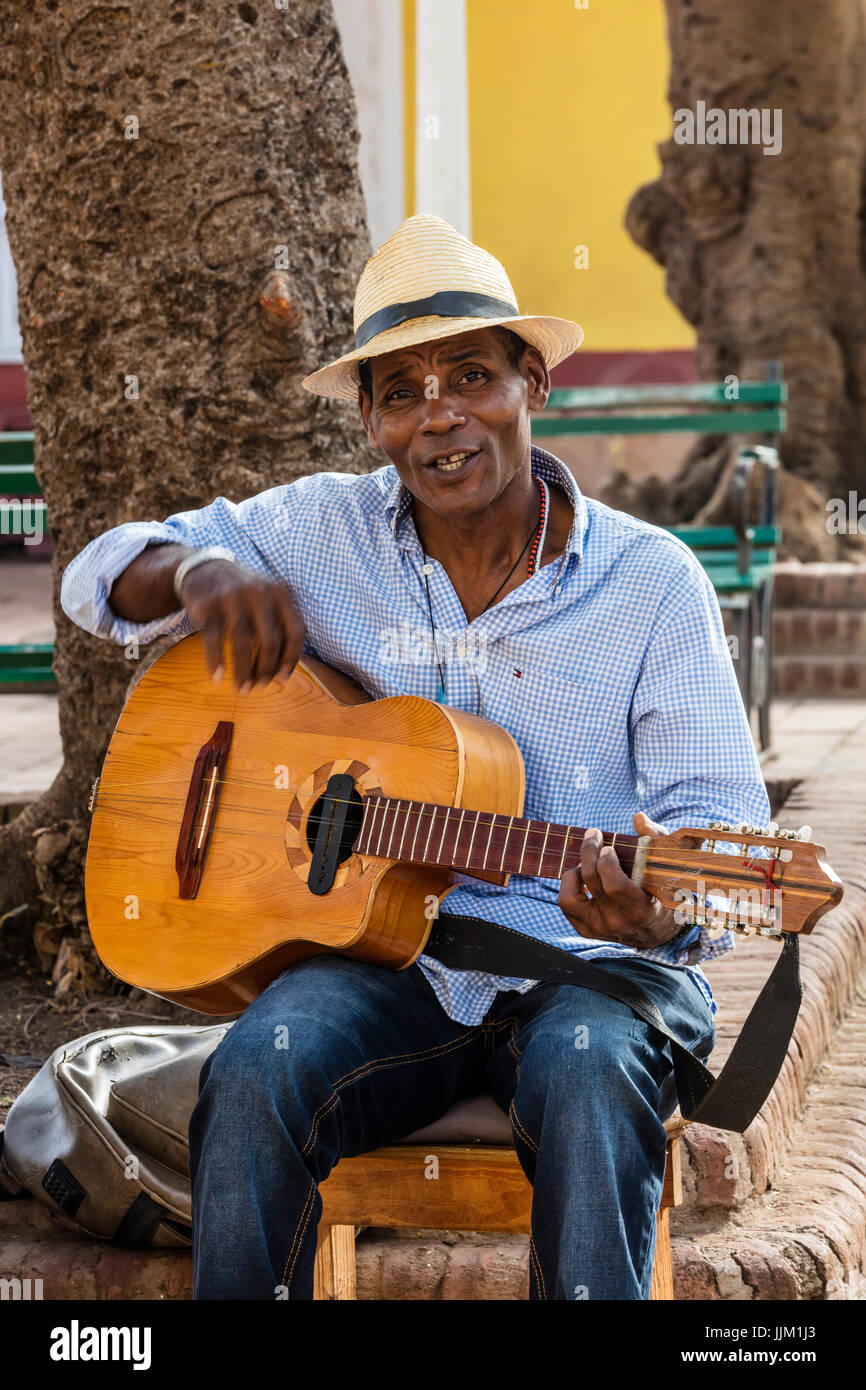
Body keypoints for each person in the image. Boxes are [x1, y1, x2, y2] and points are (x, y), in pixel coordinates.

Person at [60, 214, 769, 1300]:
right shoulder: (316, 532)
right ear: (369, 418)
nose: (439, 415)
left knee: (588, 1066)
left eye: (471, 375)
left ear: (531, 379)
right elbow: (94, 576)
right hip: (396, 970)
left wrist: (660, 913)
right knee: (256, 1066)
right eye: (401, 390)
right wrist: (196, 570)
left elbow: (729, 857)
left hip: (585, 972)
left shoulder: (650, 583)